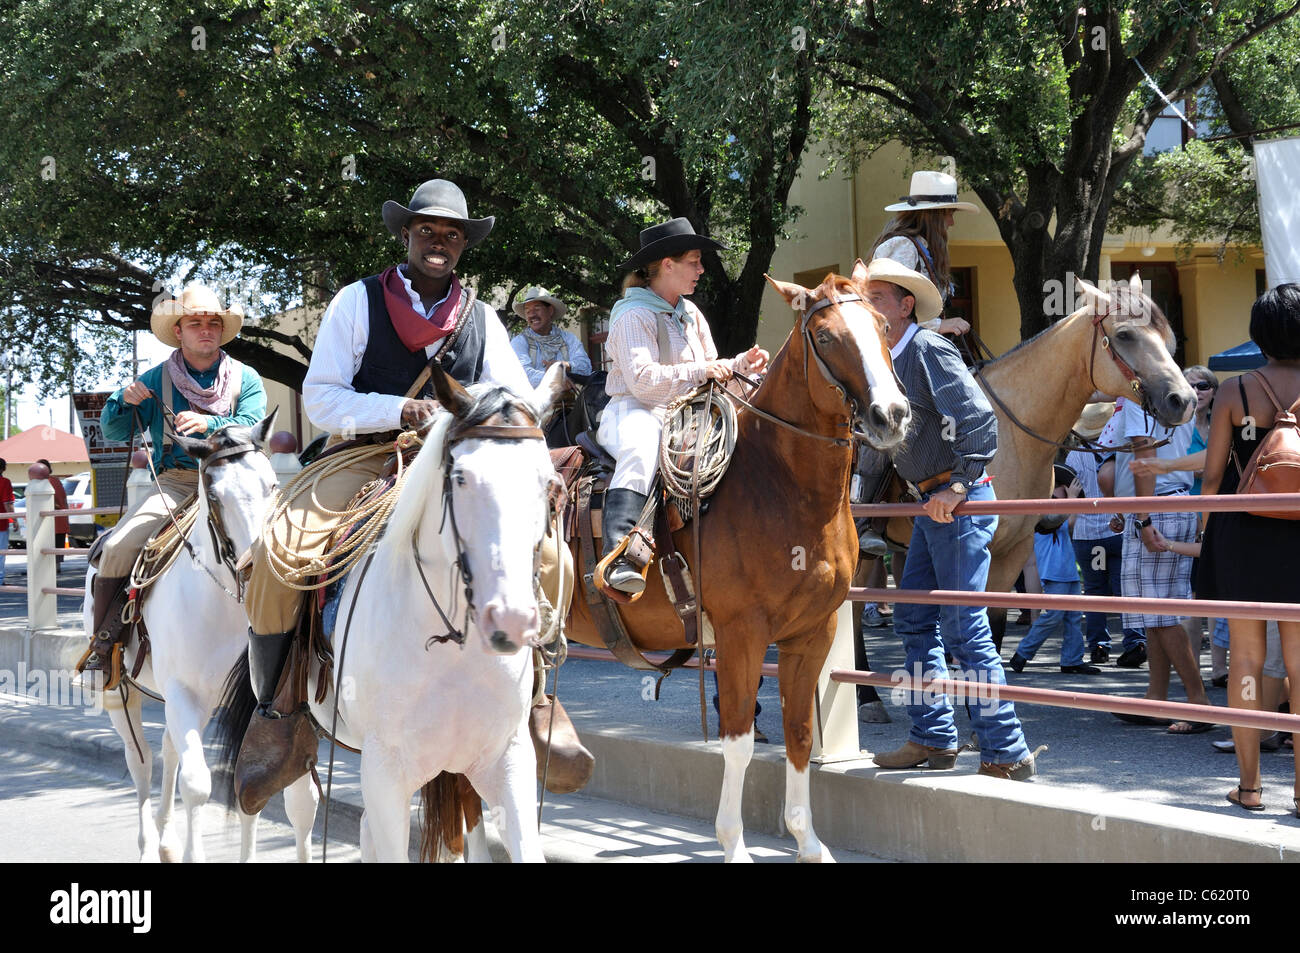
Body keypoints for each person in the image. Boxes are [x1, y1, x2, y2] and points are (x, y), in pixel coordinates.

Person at [244, 178, 532, 722]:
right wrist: (398, 410)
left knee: (545, 552)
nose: (439, 241)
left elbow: (512, 398)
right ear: (406, 234)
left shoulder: (484, 318)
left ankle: (536, 702)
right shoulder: (357, 300)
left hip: (455, 464)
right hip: (365, 455)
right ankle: (276, 713)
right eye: (428, 229)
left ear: (464, 245)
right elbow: (323, 400)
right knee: (281, 551)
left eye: (452, 234)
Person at [863, 258, 1036, 780]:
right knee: (916, 618)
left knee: (964, 628)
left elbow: (980, 417)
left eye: (875, 298)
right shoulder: (889, 356)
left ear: (904, 304)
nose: (867, 307)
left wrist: (959, 484)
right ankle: (934, 737)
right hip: (933, 504)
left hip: (955, 502)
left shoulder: (927, 348)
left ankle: (1006, 749)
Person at [76, 283, 265, 684]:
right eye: (195, 322)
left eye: (213, 322)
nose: (206, 329)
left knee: (283, 547)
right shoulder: (154, 379)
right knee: (117, 546)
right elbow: (113, 430)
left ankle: (291, 646)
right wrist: (122, 400)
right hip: (178, 484)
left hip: (236, 480)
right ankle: (104, 643)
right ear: (178, 331)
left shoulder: (245, 378)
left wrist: (212, 424)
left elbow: (255, 425)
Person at [597, 217, 767, 594]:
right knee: (642, 447)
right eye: (694, 261)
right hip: (634, 412)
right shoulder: (631, 315)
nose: (702, 269)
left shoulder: (691, 313)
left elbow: (710, 372)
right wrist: (706, 369)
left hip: (688, 415)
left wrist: (739, 366)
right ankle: (620, 554)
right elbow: (643, 384)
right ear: (667, 265)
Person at [1196, 284, 1300, 815]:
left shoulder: (1235, 391)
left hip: (1243, 533)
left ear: (1260, 333)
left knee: (1247, 662)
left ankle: (1252, 787)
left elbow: (1212, 478)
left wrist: (1203, 537)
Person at [857, 169, 977, 555]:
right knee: (886, 423)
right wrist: (944, 324)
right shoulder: (906, 249)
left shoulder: (916, 245)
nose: (953, 221)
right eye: (948, 213)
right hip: (895, 350)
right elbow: (887, 309)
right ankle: (865, 518)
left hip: (916, 347)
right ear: (933, 215)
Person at [1115, 372, 1211, 733]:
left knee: (1162, 615)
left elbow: (1144, 453)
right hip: (1168, 503)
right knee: (1155, 616)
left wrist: (1141, 518)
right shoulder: (1174, 395)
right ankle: (1157, 698)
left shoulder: (1142, 397)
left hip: (1156, 506)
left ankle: (1198, 702)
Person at [1131, 365, 1219, 678]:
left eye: (1204, 385)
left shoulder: (1218, 419)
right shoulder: (1179, 415)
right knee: (1180, 605)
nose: (1197, 390)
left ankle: (1205, 684)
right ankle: (1177, 686)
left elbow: (1144, 456)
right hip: (1189, 510)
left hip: (1192, 509)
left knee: (1177, 607)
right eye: (1191, 384)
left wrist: (1167, 469)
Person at [1008, 464, 1100, 675]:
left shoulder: (1062, 508)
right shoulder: (1042, 512)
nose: (1062, 490)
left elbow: (1070, 521)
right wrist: (1071, 499)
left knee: (1073, 617)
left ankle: (1072, 660)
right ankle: (1022, 653)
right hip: (1054, 571)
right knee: (1054, 615)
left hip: (1067, 570)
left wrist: (1071, 500)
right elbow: (1054, 521)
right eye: (1059, 488)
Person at [1065, 403, 1126, 664]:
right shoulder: (1122, 450)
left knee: (1094, 592)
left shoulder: (1074, 456)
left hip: (1087, 532)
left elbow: (1067, 491)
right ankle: (1136, 641)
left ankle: (1099, 644)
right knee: (1125, 590)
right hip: (1118, 526)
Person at [510, 286, 593, 386]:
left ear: (550, 310)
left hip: (570, 401)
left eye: (537, 308)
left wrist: (566, 365)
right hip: (530, 401)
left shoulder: (568, 339)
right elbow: (522, 374)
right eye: (528, 311)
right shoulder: (519, 342)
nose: (532, 315)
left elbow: (586, 367)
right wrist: (557, 379)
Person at [36, 459, 69, 569]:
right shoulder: (56, 480)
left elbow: (52, 502)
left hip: (51, 521)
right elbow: (64, 500)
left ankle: (51, 570)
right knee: (58, 545)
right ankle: (56, 567)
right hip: (61, 519)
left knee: (48, 546)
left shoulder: (45, 483)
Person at [0, 459, 13, 587]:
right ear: (3, 468)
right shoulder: (5, 482)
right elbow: (7, 503)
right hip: (1, 523)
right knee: (1, 552)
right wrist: (14, 520)